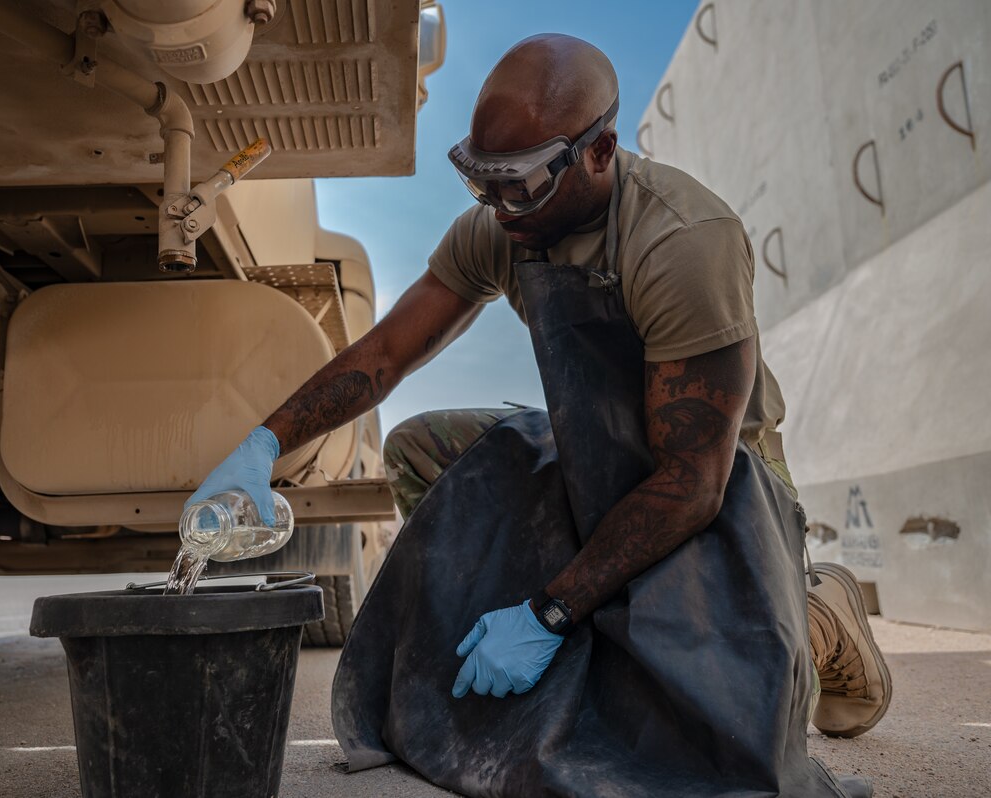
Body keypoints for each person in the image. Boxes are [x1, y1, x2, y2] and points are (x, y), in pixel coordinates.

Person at [188, 32, 889, 755]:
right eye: (481, 180)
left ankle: (822, 616)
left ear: (599, 150)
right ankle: (543, 633)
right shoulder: (503, 226)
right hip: (596, 453)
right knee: (420, 447)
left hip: (717, 477)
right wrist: (262, 444)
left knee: (716, 689)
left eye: (519, 183)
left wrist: (550, 615)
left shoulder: (682, 242)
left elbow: (693, 483)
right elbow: (387, 353)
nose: (498, 206)